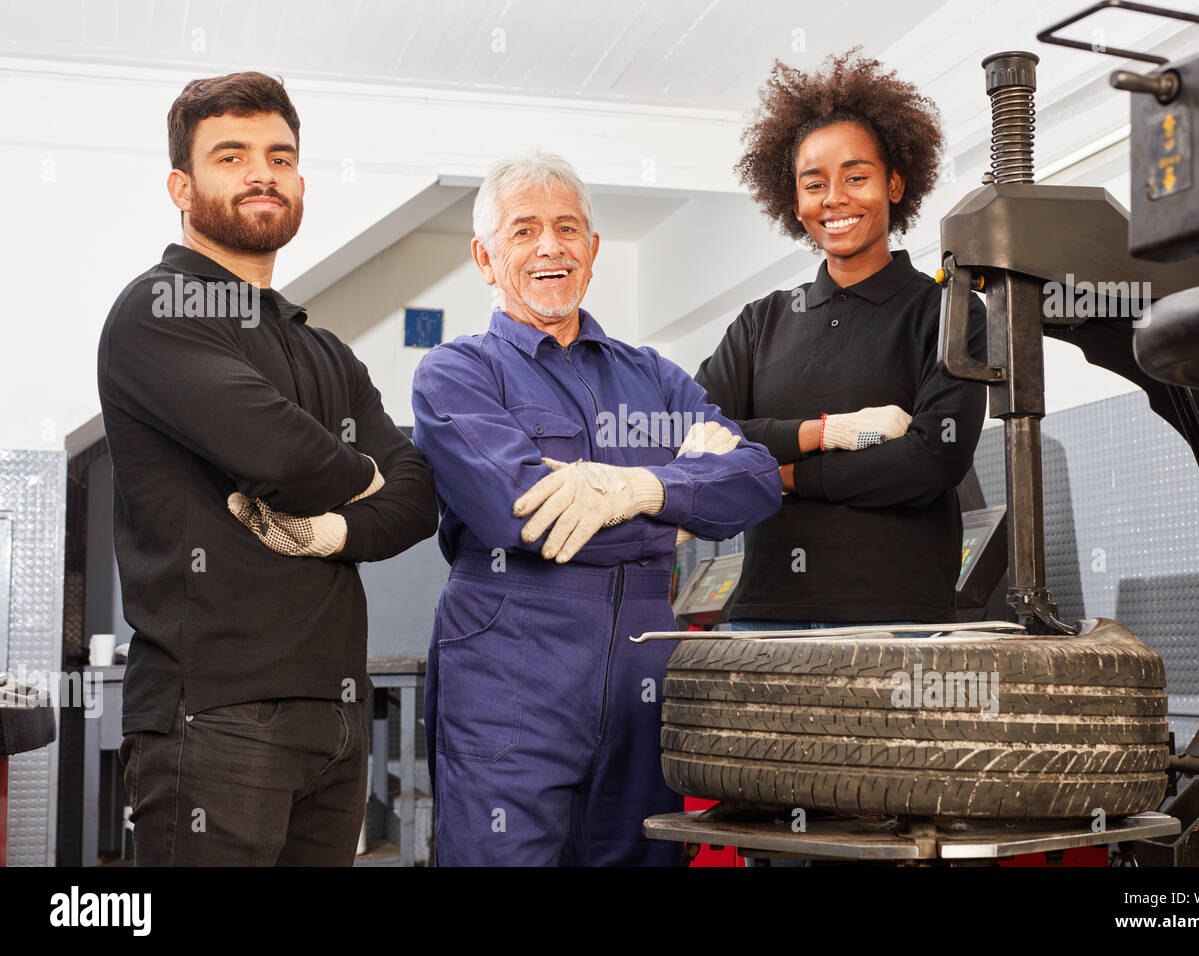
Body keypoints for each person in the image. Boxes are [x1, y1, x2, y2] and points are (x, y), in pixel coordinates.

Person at [98, 72, 439, 865]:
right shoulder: (158, 309)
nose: (262, 172)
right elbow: (283, 453)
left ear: (300, 183)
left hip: (336, 714)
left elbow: (418, 497)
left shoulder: (322, 348)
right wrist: (367, 478)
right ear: (181, 185)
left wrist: (327, 530)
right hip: (213, 717)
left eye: (280, 157)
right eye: (232, 155)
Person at [411, 151, 782, 866]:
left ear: (593, 250)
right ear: (486, 259)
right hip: (508, 691)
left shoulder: (655, 376)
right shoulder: (457, 373)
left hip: (643, 694)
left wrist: (635, 490)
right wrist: (676, 510)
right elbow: (519, 514)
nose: (550, 245)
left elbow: (757, 482)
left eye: (567, 228)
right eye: (523, 231)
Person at [695, 50, 988, 635]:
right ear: (794, 200)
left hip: (894, 623)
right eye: (814, 183)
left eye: (856, 177)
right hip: (764, 617)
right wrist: (819, 434)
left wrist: (783, 475)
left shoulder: (945, 311)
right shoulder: (762, 322)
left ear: (895, 183)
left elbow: (934, 457)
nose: (834, 198)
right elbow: (696, 435)